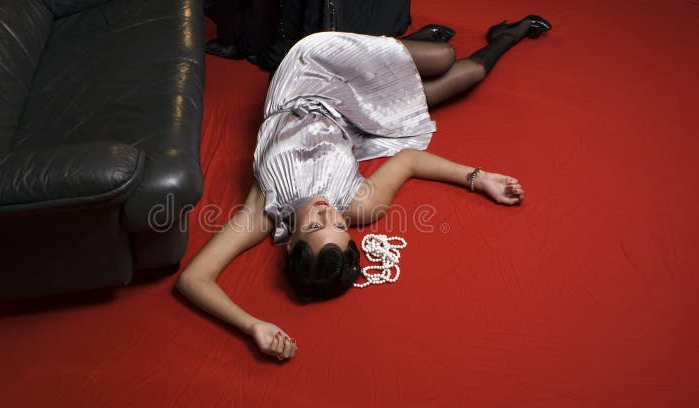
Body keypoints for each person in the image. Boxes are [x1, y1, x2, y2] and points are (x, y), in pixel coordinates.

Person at [177, 16, 552, 361]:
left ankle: (393, 50)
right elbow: (409, 160)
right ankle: (508, 36)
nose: (327, 210)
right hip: (353, 113)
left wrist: (250, 325)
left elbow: (194, 279)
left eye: (314, 224)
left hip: (307, 76)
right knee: (465, 72)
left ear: (290, 242)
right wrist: (480, 177)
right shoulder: (359, 206)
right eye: (337, 225)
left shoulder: (262, 211)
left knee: (442, 55)